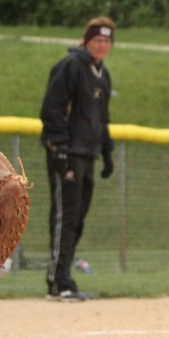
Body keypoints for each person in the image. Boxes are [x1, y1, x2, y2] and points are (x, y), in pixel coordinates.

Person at [40, 16, 116, 302]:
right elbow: (52, 108)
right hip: (68, 154)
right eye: (97, 39)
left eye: (107, 41)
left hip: (88, 154)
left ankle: (64, 278)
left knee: (78, 219)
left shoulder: (101, 73)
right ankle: (58, 281)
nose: (102, 45)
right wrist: (58, 145)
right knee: (65, 217)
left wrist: (107, 151)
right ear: (86, 41)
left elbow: (102, 117)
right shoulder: (70, 67)